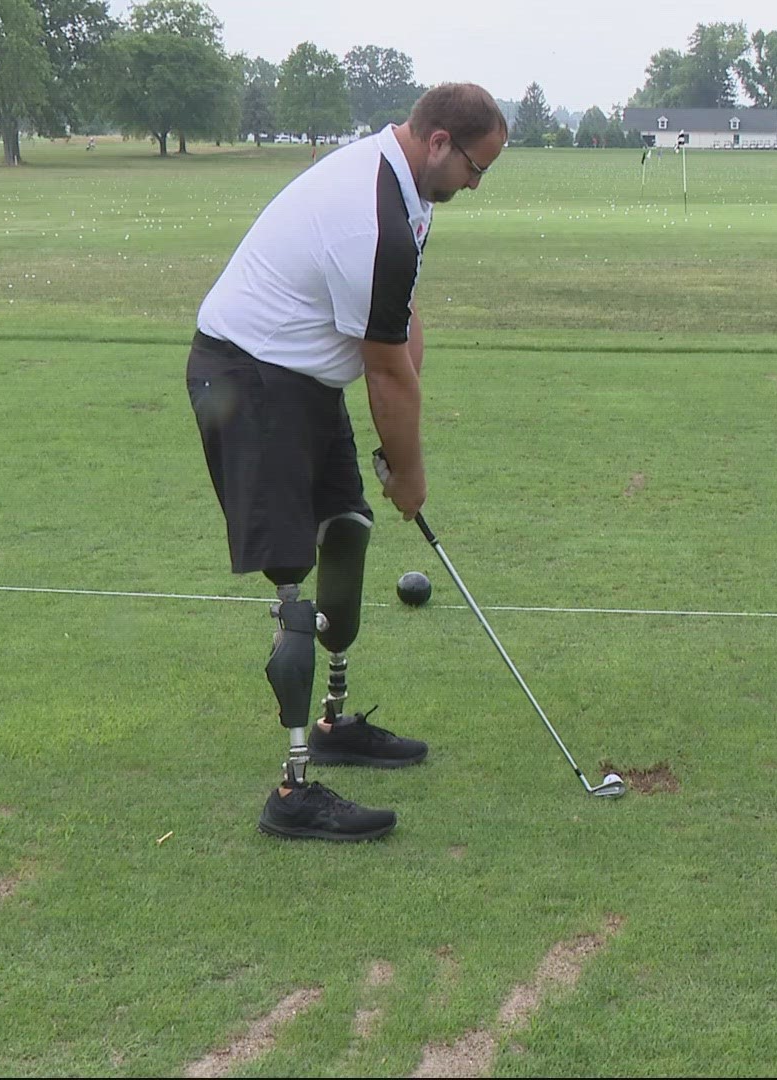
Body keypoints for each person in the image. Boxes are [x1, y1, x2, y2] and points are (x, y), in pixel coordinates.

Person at [186, 83, 506, 842]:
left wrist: (400, 455)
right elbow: (385, 373)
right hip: (247, 375)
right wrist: (413, 472)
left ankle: (332, 725)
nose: (475, 184)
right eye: (475, 167)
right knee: (294, 575)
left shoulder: (408, 195)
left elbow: (400, 327)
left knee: (349, 527)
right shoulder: (372, 217)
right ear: (438, 144)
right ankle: (292, 793)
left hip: (302, 375)